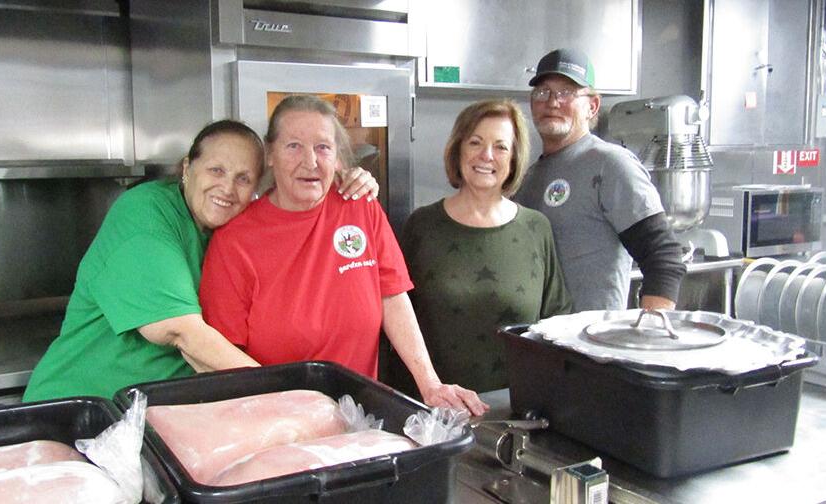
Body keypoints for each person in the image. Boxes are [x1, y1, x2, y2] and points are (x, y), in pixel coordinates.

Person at [23, 119, 378, 401]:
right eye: (216, 171)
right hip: (80, 412)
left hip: (152, 417)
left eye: (243, 179)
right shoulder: (145, 218)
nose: (227, 188)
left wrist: (342, 181)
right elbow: (183, 334)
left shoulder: (231, 229)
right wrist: (287, 397)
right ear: (187, 167)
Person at [200, 95, 489, 415]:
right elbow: (223, 358)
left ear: (337, 157)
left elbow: (391, 297)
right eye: (293, 146)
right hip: (275, 423)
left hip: (359, 419)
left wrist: (431, 385)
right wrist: (280, 416)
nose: (310, 161)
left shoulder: (360, 206)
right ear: (270, 154)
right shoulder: (234, 242)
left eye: (323, 147)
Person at [381, 99, 572, 394]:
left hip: (514, 408)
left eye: (500, 146)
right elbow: (391, 319)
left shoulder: (536, 228)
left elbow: (558, 325)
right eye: (475, 142)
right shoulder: (421, 226)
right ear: (458, 150)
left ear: (514, 158)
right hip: (430, 409)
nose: (486, 155)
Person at [514, 48, 686, 312]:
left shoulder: (611, 164)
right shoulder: (527, 177)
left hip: (588, 346)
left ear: (592, 105)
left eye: (566, 93)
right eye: (542, 92)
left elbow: (663, 258)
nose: (552, 102)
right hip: (538, 343)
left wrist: (649, 333)